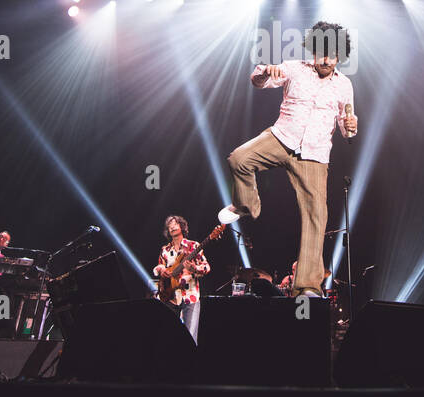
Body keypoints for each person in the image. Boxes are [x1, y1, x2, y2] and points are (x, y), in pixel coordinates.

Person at [221, 22, 357, 298]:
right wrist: (263, 72)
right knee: (239, 159)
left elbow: (347, 128)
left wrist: (351, 126)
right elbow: (259, 82)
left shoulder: (344, 85)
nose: (326, 60)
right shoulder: (295, 68)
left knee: (316, 215)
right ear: (313, 51)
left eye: (332, 55)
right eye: (322, 53)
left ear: (340, 56)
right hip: (282, 138)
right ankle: (246, 204)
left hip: (314, 155)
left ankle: (307, 285)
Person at [153, 215, 210, 343]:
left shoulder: (193, 246)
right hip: (170, 297)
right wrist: (162, 270)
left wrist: (194, 268)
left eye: (175, 223)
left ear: (182, 226)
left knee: (190, 338)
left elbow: (206, 267)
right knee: (169, 336)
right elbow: (159, 266)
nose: (172, 226)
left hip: (190, 296)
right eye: (169, 225)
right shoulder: (165, 250)